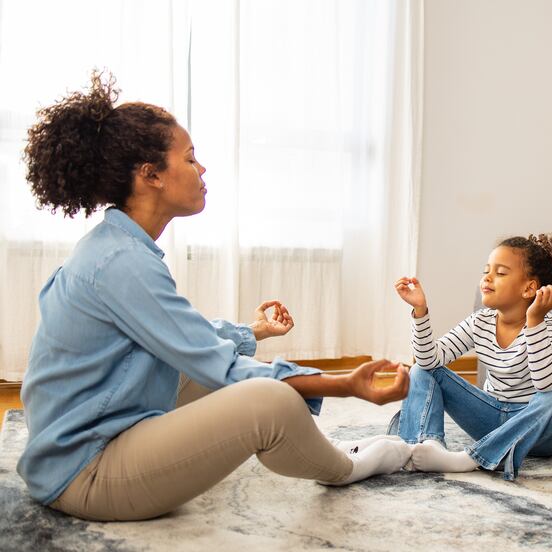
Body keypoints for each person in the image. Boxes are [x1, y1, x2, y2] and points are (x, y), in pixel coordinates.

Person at [16, 72, 413, 522]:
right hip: (85, 472)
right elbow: (216, 363)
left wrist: (253, 331)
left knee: (204, 371)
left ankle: (326, 448)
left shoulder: (114, 247)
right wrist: (344, 385)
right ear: (151, 176)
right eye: (189, 158)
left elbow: (181, 337)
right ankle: (348, 466)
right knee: (270, 401)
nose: (201, 169)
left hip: (88, 442)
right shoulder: (122, 263)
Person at [390, 233, 552, 480]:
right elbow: (428, 360)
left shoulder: (547, 328)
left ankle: (471, 459)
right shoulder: (481, 321)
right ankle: (423, 447)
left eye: (500, 273)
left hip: (537, 434)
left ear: (529, 288)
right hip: (491, 419)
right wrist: (420, 310)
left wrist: (534, 322)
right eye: (486, 270)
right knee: (420, 370)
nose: (487, 278)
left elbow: (546, 386)